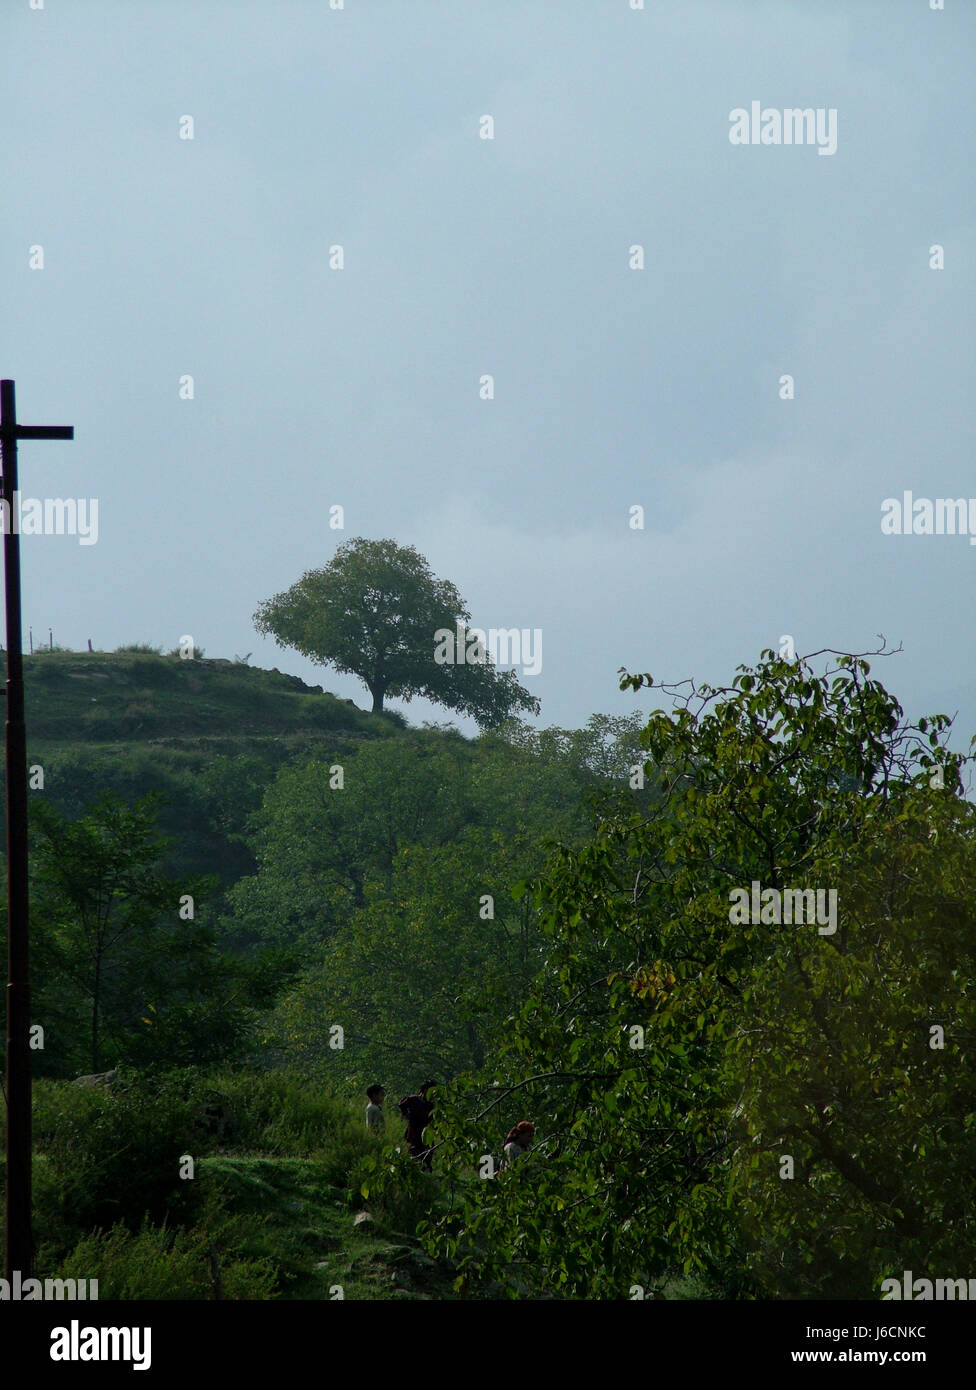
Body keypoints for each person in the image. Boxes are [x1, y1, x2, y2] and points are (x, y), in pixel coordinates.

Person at [398, 1081, 435, 1171]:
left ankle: (426, 1170)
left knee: (427, 1153)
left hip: (425, 1133)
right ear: (425, 1090)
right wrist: (407, 1115)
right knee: (413, 1152)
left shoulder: (430, 1105)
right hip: (413, 1131)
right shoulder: (413, 1099)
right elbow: (401, 1105)